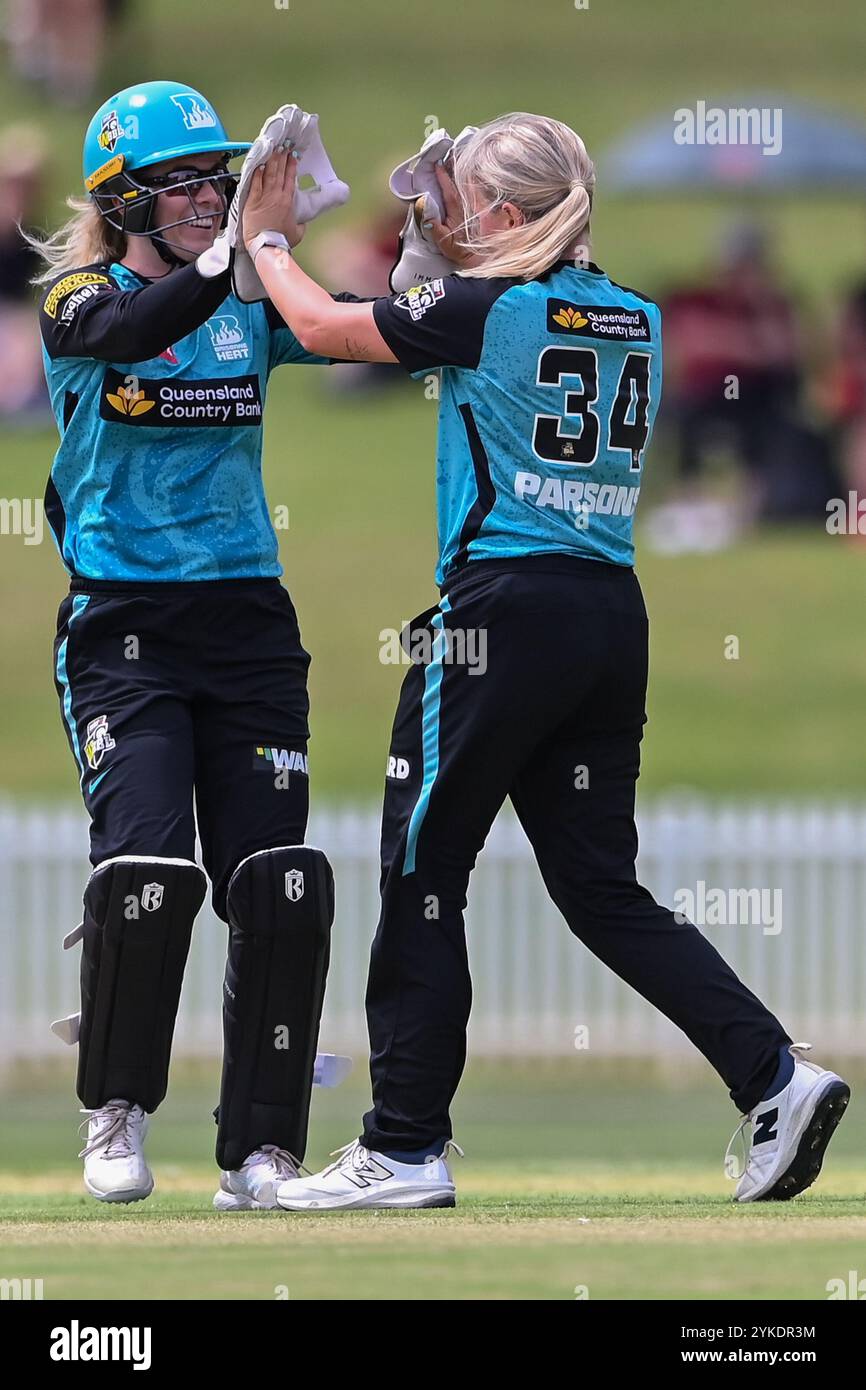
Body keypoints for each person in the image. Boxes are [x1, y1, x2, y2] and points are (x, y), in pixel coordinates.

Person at [235, 113, 850, 1211]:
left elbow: (329, 329)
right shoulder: (635, 313)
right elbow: (479, 314)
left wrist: (269, 239)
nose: (453, 213)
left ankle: (403, 1143)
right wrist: (437, 235)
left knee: (423, 874)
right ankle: (772, 1073)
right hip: (608, 616)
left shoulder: (485, 309)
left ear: (510, 217)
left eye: (470, 200)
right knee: (599, 889)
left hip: (497, 616)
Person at [32, 80, 340, 1209]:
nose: (210, 199)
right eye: (185, 186)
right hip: (125, 632)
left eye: (219, 180)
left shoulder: (247, 298)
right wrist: (236, 258)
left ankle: (261, 1150)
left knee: (280, 885)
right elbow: (130, 330)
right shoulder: (80, 297)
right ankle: (113, 1111)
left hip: (249, 626)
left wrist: (428, 240)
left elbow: (370, 325)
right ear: (125, 205)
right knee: (150, 869)